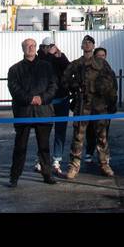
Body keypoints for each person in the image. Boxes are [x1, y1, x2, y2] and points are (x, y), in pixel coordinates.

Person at [62, 36, 117, 178]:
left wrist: (111, 100)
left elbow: (111, 81)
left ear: (93, 46)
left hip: (99, 103)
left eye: (90, 43)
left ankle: (104, 164)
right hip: (82, 103)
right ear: (81, 46)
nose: (87, 45)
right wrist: (75, 86)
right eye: (84, 43)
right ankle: (74, 166)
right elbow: (65, 80)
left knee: (102, 136)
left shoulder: (101, 63)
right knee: (78, 136)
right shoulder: (76, 64)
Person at [7, 38, 58, 187]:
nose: (30, 48)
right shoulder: (14, 69)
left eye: (33, 46)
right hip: (24, 112)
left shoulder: (47, 67)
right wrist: (30, 99)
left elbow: (54, 85)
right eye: (27, 46)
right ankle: (14, 177)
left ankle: (47, 175)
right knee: (20, 147)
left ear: (36, 48)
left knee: (44, 147)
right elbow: (14, 89)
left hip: (43, 112)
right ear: (22, 49)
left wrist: (42, 99)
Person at [39, 37, 72, 174]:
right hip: (47, 100)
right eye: (48, 46)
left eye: (52, 46)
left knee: (60, 132)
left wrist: (60, 56)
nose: (50, 48)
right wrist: (51, 56)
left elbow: (69, 68)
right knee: (43, 132)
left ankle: (56, 160)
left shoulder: (59, 58)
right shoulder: (40, 60)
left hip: (62, 98)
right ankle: (41, 160)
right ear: (42, 48)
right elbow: (44, 69)